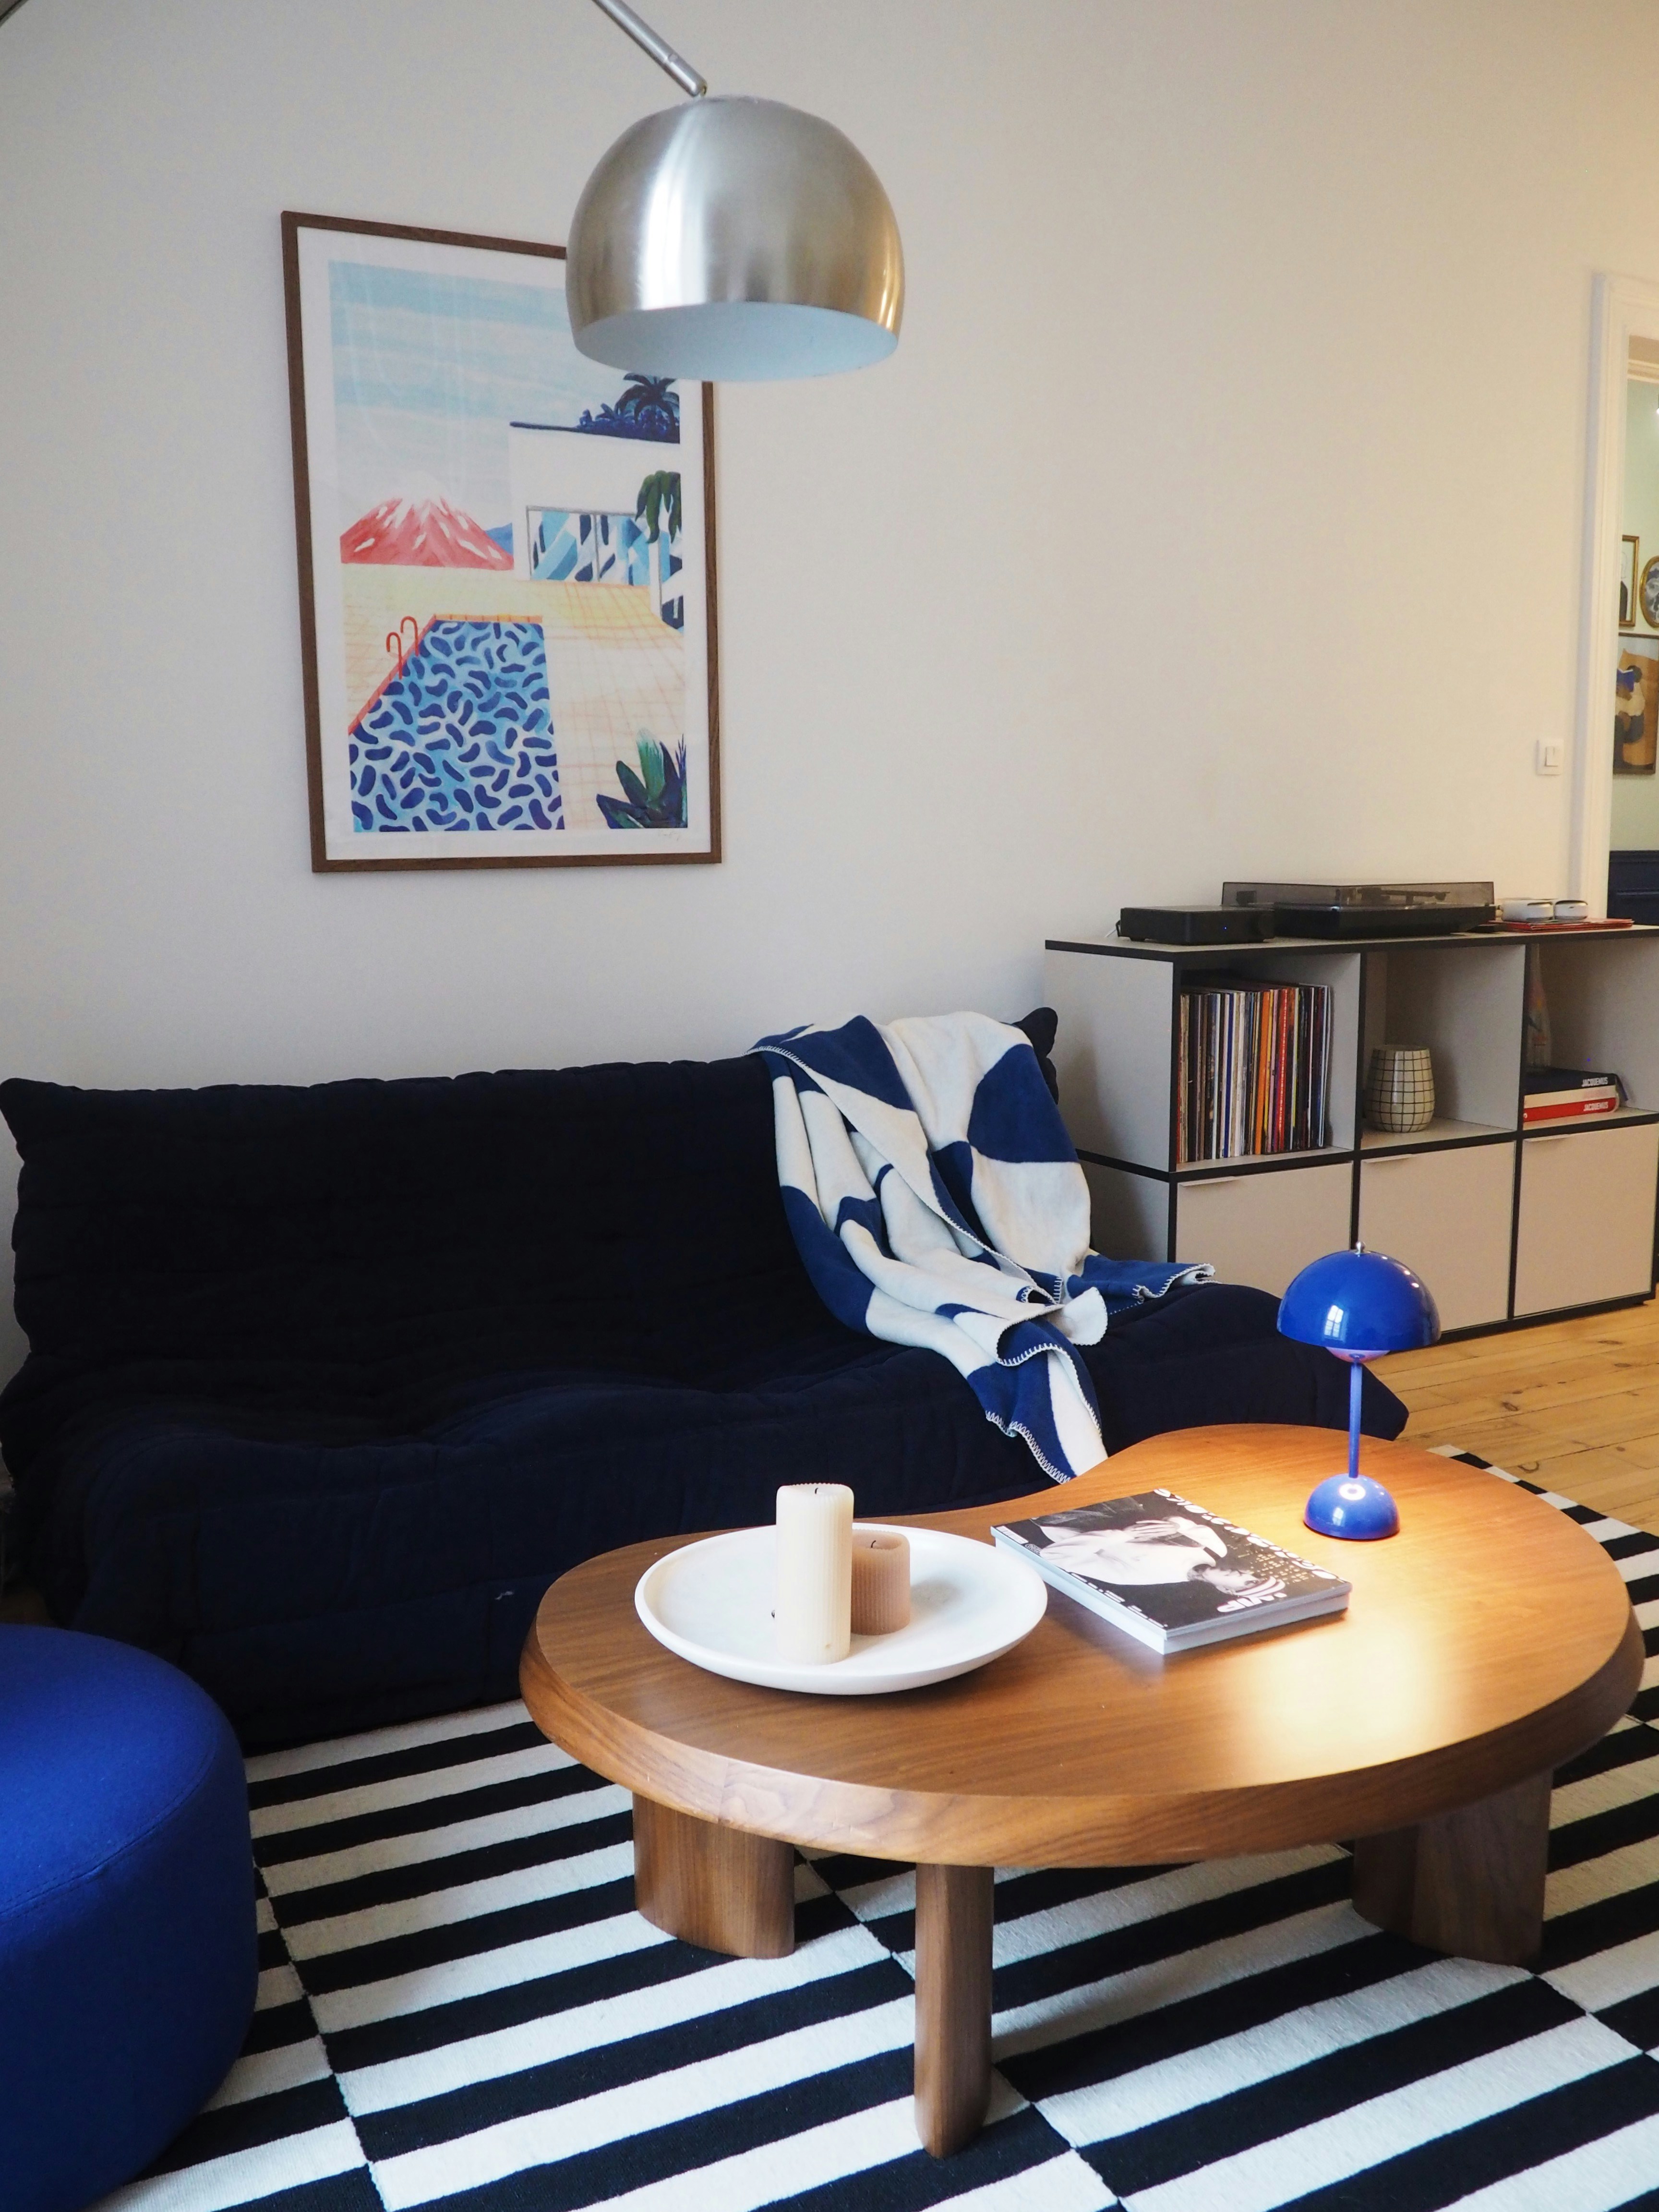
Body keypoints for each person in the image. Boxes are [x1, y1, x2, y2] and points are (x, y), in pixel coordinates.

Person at [1031, 1510, 1285, 1601]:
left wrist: (1122, 1535)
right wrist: (1174, 1525)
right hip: (1119, 1499)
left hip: (1064, 1517)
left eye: (1248, 1582)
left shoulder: (1142, 1577)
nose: (1242, 1573)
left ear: (1227, 1590)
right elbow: (1184, 1522)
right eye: (1254, 1574)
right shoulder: (1215, 1549)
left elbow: (1055, 1556)